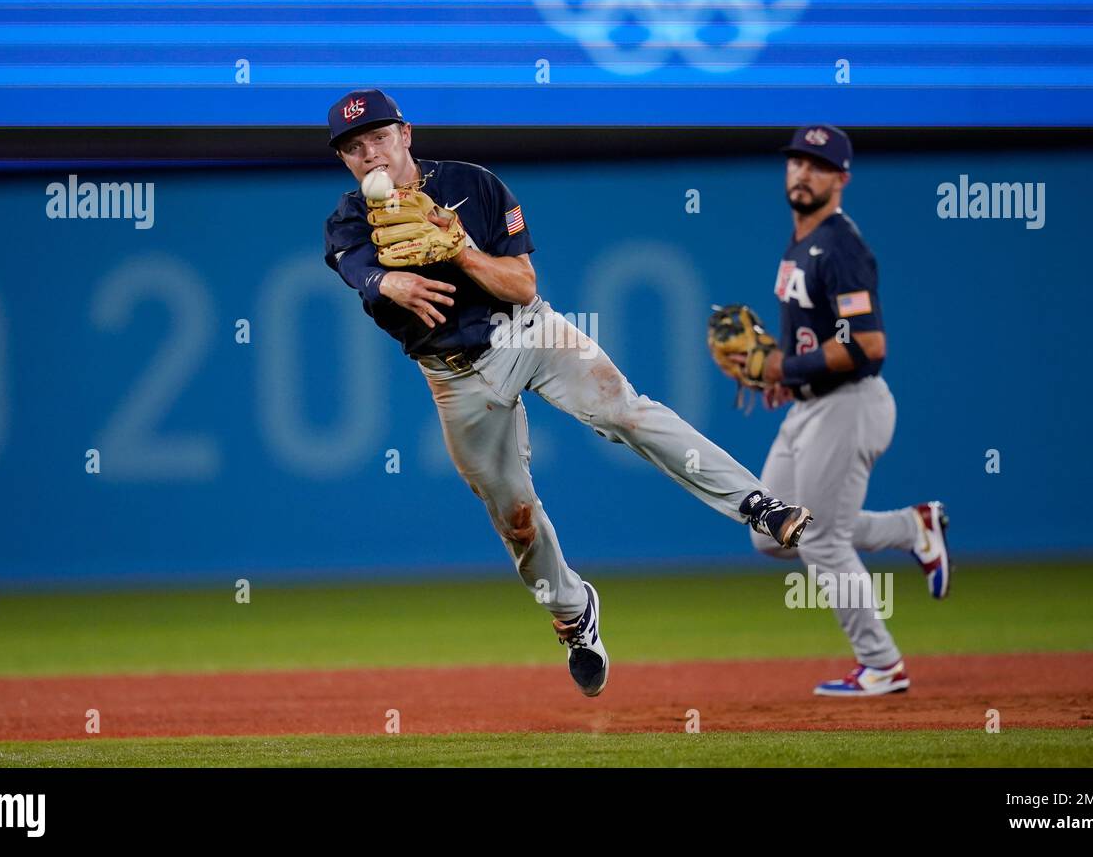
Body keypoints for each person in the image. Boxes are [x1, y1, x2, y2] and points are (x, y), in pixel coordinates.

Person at [322, 88, 812, 698]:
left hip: (529, 331)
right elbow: (362, 270)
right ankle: (575, 614)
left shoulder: (474, 186)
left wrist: (460, 250)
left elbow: (523, 284)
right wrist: (390, 279)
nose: (368, 154)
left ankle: (760, 505)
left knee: (624, 410)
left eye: (378, 137)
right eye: (353, 148)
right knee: (514, 517)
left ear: (406, 135)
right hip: (453, 374)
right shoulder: (349, 220)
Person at [732, 124, 952, 697]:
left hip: (850, 405)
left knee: (822, 539)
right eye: (797, 162)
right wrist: (788, 377)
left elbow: (870, 343)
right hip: (810, 407)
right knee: (772, 533)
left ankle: (882, 663)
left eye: (818, 165)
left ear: (841, 179)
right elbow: (806, 345)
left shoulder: (841, 244)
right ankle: (913, 527)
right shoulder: (800, 242)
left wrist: (784, 368)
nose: (803, 172)